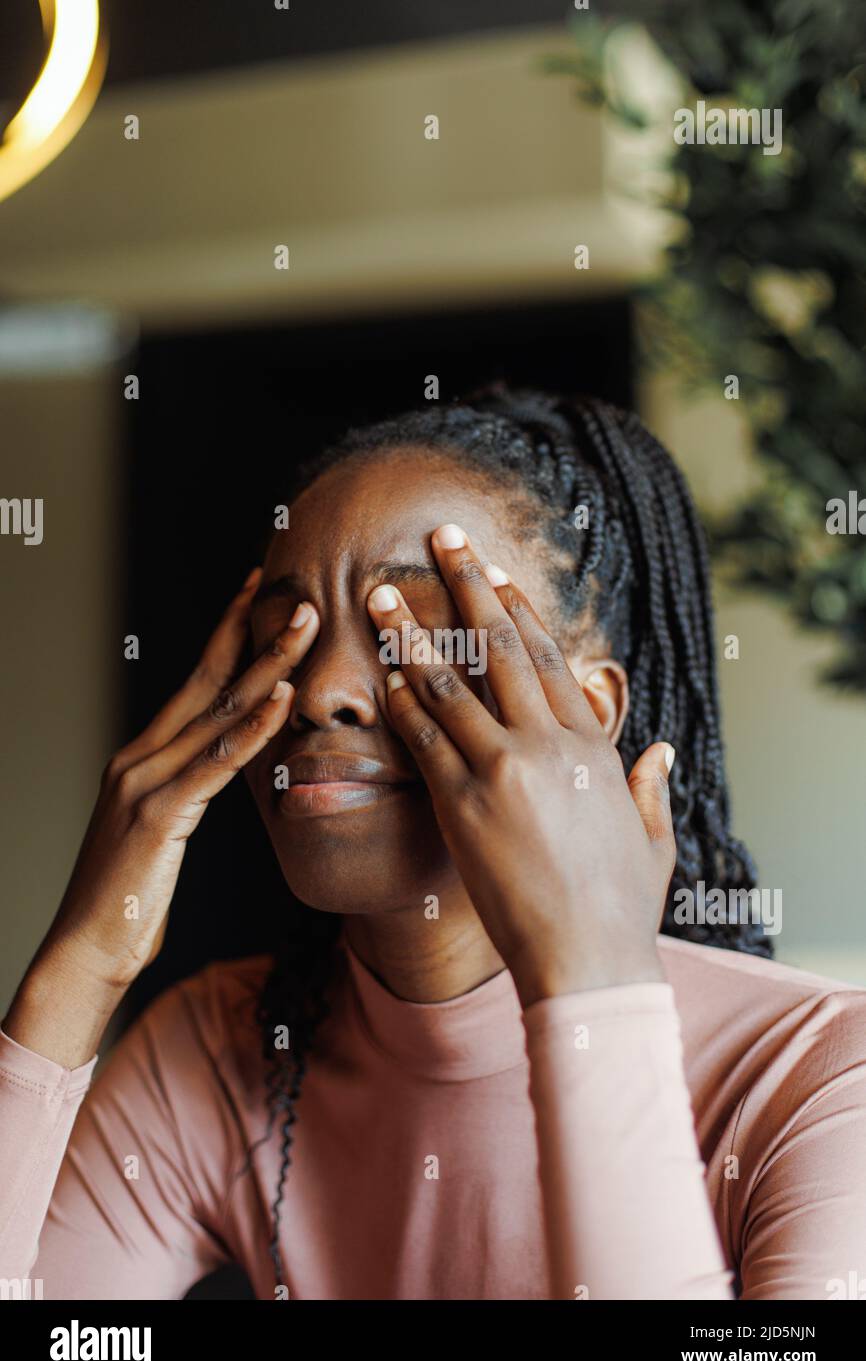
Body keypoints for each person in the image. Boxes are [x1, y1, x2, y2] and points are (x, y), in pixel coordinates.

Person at [3, 386, 865, 1300]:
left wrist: (590, 979)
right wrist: (81, 962)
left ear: (593, 716)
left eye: (415, 631)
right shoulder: (212, 1055)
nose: (327, 686)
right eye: (283, 637)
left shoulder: (818, 1080)